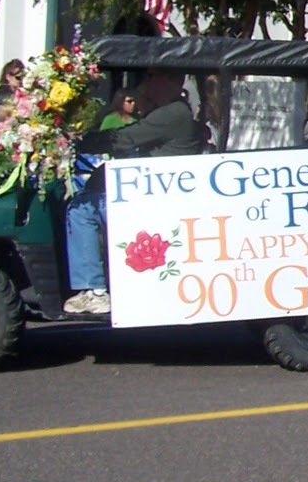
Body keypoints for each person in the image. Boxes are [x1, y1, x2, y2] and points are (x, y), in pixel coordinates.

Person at [63, 69, 203, 315]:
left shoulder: (173, 113)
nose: (146, 82)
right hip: (154, 191)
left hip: (158, 199)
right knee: (90, 195)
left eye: (152, 77)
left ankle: (94, 290)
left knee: (81, 210)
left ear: (173, 80)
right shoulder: (169, 111)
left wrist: (77, 140)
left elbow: (125, 138)